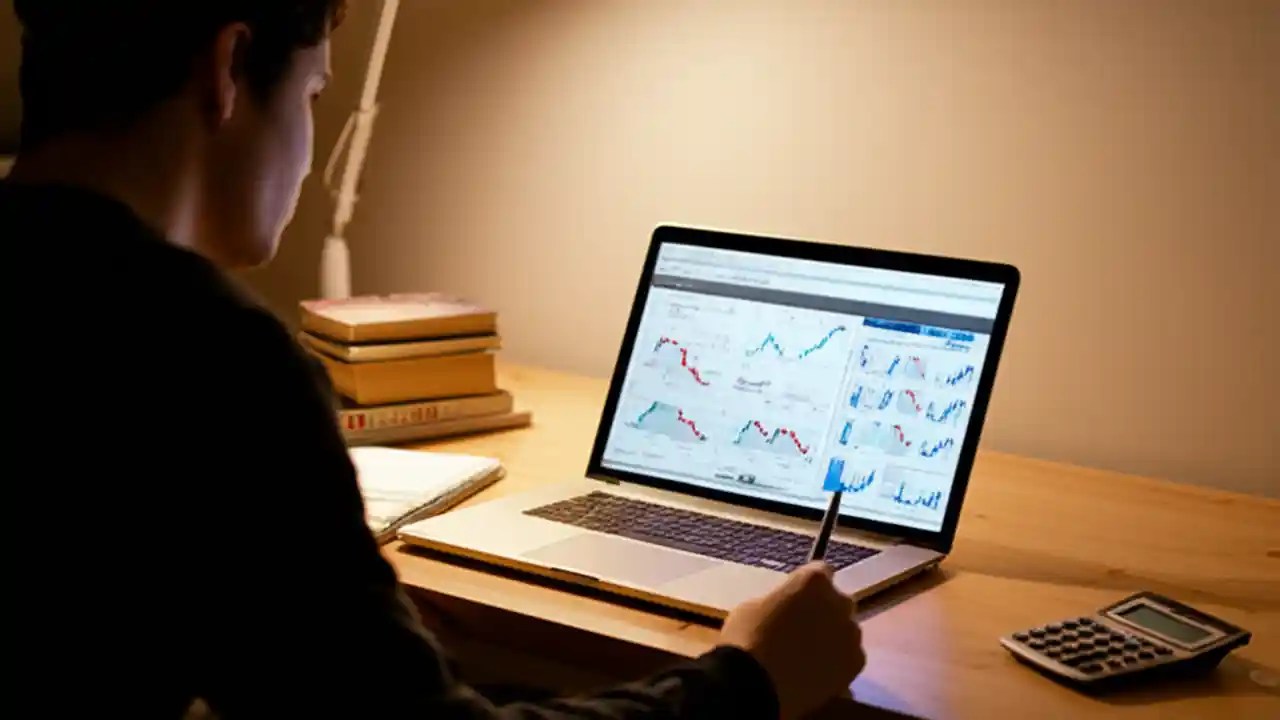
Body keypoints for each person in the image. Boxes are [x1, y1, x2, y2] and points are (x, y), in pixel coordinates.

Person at [3, 2, 867, 717]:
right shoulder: (202, 357)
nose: (308, 152)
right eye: (313, 94)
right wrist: (748, 679)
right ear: (228, 70)